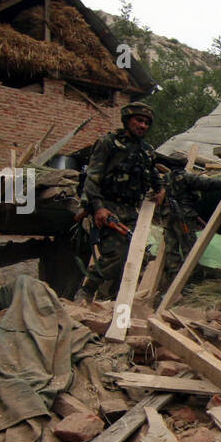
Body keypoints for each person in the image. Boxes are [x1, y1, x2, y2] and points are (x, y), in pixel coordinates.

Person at [77, 102, 166, 300]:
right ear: (127, 121)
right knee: (117, 252)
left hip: (132, 210)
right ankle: (87, 290)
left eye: (146, 123)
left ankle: (114, 298)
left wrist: (160, 189)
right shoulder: (108, 143)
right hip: (107, 207)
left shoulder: (147, 151)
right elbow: (92, 178)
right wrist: (98, 208)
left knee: (138, 253)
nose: (143, 126)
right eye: (139, 120)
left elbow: (152, 173)